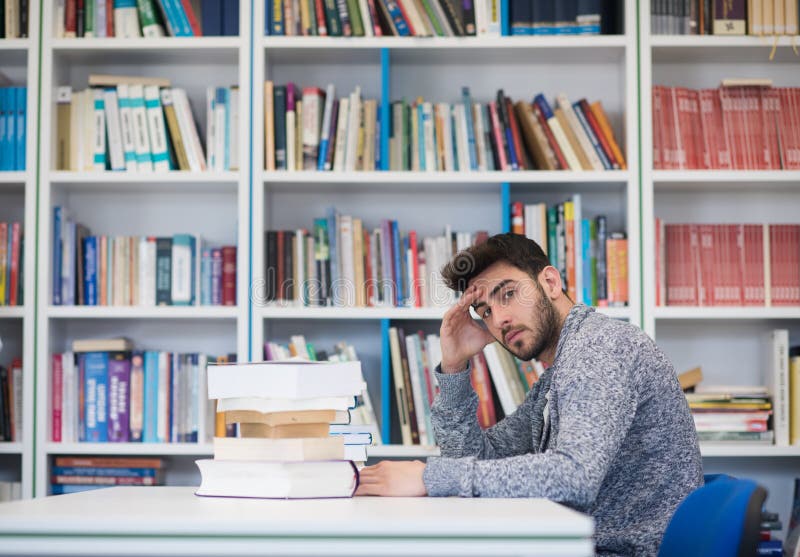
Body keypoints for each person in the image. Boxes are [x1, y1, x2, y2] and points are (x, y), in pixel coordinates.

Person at [356, 233, 703, 556]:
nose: (500, 319)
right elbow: (479, 456)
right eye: (486, 312)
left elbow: (574, 476)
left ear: (550, 282)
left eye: (507, 294)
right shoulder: (558, 373)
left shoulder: (602, 347)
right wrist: (454, 366)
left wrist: (428, 478)